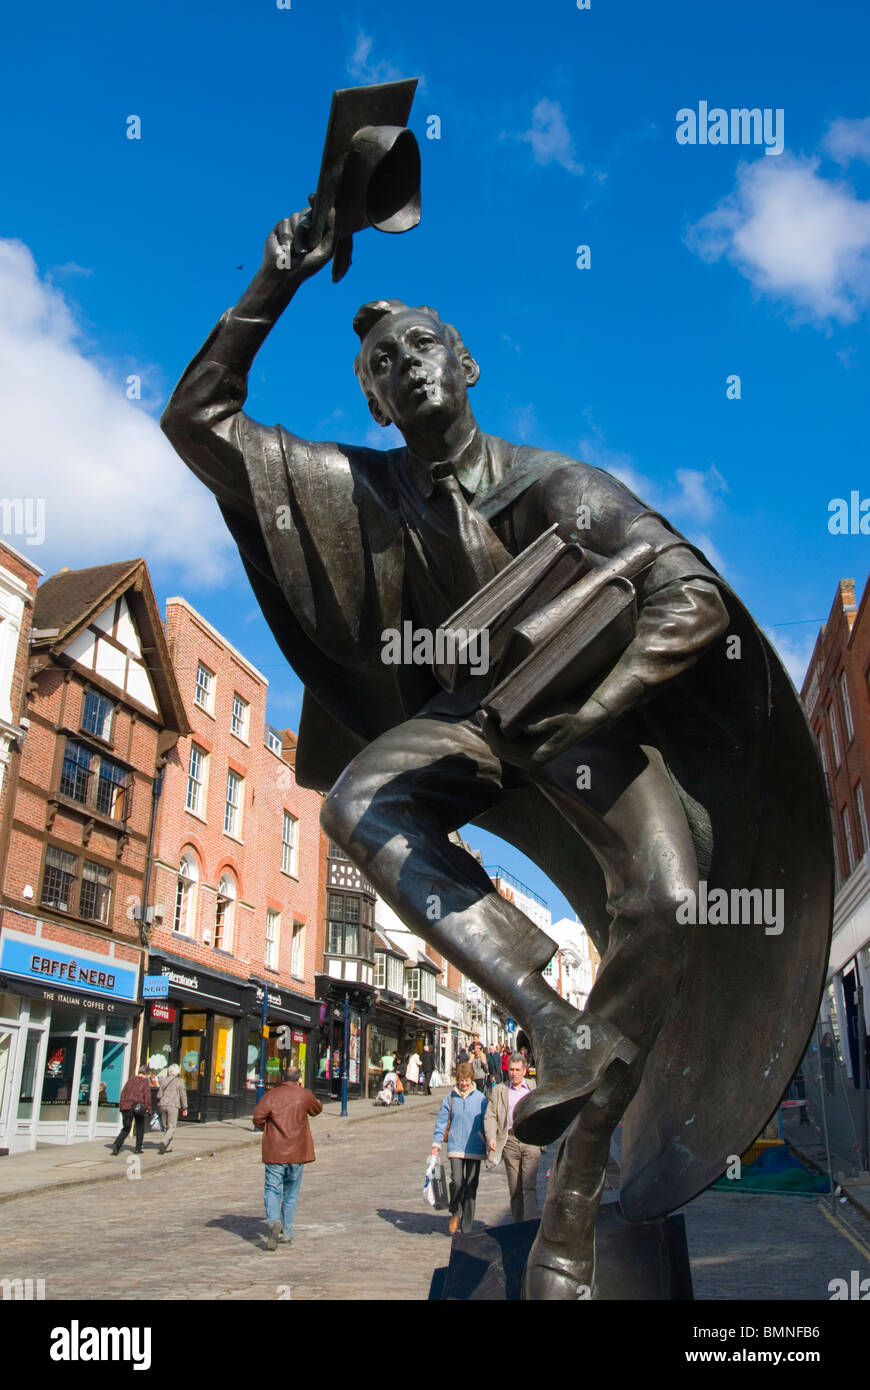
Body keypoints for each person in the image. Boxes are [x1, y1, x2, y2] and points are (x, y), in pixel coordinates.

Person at [162, 200, 831, 1299]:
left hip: (587, 726)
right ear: (373, 400)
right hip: (472, 720)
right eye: (383, 364)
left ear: (465, 364)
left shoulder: (558, 486)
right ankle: (554, 1022)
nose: (407, 366)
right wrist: (276, 277)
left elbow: (692, 596)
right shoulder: (365, 491)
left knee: (669, 898)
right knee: (360, 801)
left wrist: (597, 702)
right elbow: (197, 422)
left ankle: (575, 1192)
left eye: (423, 345)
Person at [253, 1066, 323, 1250]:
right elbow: (317, 1108)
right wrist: (303, 1091)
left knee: (272, 1188)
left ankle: (274, 1221)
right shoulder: (304, 1094)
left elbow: (258, 1117)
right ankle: (287, 1231)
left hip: (275, 1150)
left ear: (282, 1077)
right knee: (291, 1192)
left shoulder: (271, 1095)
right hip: (298, 1151)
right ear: (299, 1079)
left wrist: (268, 1129)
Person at [485, 1052, 546, 1222]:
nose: (514, 1073)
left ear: (524, 1071)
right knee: (515, 1187)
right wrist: (491, 1136)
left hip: (531, 1140)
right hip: (510, 1141)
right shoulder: (500, 1090)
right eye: (511, 1069)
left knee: (528, 1185)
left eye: (518, 1070)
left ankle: (530, 1224)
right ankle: (518, 1224)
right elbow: (490, 1115)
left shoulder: (535, 1088)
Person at [432, 1062, 488, 1234]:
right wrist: (436, 1143)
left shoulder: (481, 1099)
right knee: (457, 1181)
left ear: (472, 1080)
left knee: (471, 1186)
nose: (464, 1083)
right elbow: (442, 1121)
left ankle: (467, 1227)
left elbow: (487, 1122)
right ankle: (456, 1211)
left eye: (467, 1080)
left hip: (475, 1146)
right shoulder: (450, 1098)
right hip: (456, 1145)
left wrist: (490, 1142)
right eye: (461, 1080)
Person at [111, 1065, 152, 1155]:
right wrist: (148, 1108)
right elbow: (147, 1095)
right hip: (138, 1106)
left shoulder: (130, 1080)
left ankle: (117, 1144)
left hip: (126, 1106)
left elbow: (123, 1092)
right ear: (146, 1073)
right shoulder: (144, 1081)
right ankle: (138, 1148)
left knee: (126, 1127)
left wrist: (122, 1105)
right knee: (140, 1127)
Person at [157, 1063, 188, 1154]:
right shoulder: (180, 1081)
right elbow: (183, 1094)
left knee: (166, 1126)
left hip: (163, 1104)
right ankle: (164, 1142)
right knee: (172, 1126)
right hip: (173, 1105)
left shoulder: (163, 1080)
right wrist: (185, 1107)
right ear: (177, 1072)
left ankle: (168, 1146)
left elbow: (159, 1094)